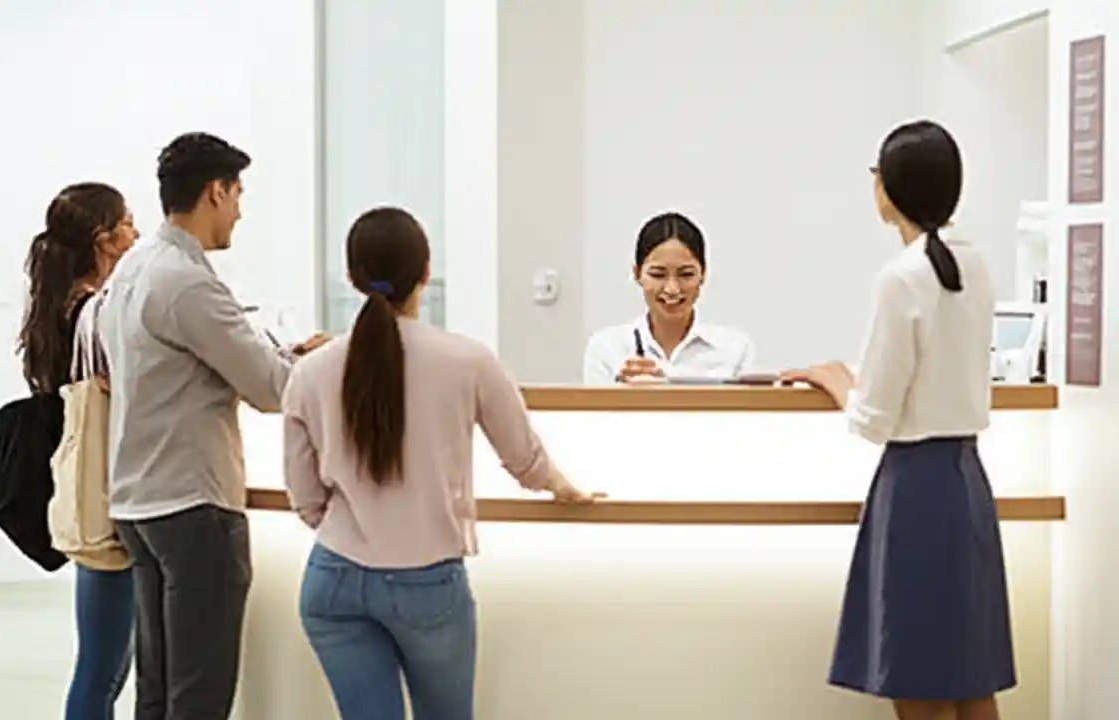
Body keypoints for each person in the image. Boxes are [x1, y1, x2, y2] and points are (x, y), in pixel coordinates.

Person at [280, 206, 601, 720]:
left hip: (332, 580)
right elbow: (524, 458)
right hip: (427, 583)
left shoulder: (311, 370)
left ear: (351, 278)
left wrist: (356, 532)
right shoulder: (468, 361)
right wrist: (563, 488)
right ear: (427, 274)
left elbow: (305, 496)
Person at [783, 120, 1013, 720]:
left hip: (914, 490)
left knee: (920, 687)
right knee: (970, 680)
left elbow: (873, 418)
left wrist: (833, 378)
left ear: (889, 190)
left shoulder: (901, 277)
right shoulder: (977, 263)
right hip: (967, 484)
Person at [96, 132, 325, 720]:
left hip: (140, 503)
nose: (241, 210)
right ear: (215, 192)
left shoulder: (135, 269)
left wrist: (281, 355)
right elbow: (273, 389)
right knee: (199, 694)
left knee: (159, 689)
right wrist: (315, 359)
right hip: (192, 505)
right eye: (238, 193)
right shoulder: (188, 282)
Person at [16, 182, 139, 720]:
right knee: (102, 669)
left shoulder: (62, 308)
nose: (138, 234)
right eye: (129, 223)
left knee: (102, 665)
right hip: (108, 497)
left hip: (91, 494)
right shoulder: (95, 314)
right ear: (105, 239)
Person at [582, 211, 754, 384]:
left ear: (703, 274)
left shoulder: (735, 349)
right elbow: (595, 410)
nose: (672, 289)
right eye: (658, 275)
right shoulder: (606, 347)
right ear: (637, 274)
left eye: (686, 274)